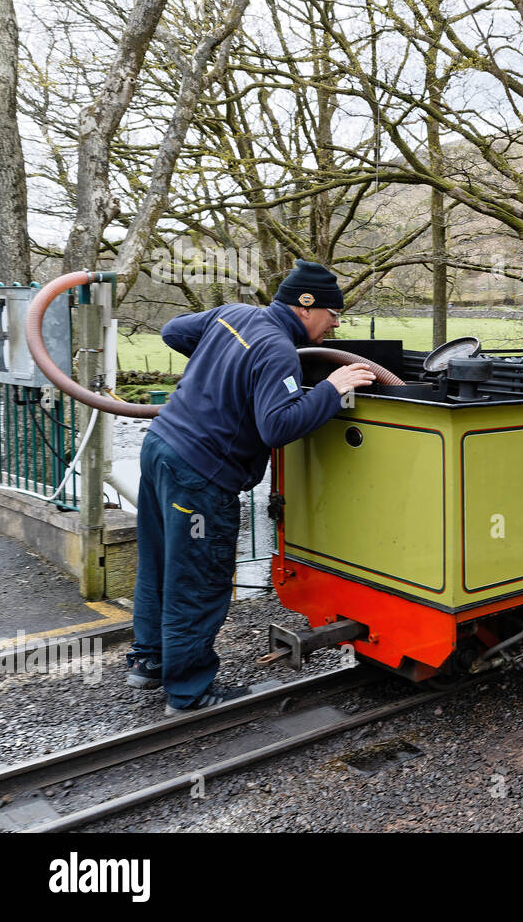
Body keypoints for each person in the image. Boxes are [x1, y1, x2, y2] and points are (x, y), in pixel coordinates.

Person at [124, 259, 376, 715]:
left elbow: (174, 331)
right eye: (333, 314)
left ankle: (148, 662)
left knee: (160, 563)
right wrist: (332, 388)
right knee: (197, 578)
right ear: (306, 306)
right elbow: (278, 427)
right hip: (200, 475)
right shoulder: (278, 349)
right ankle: (188, 692)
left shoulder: (234, 314)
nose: (337, 324)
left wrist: (221, 372)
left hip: (161, 449)